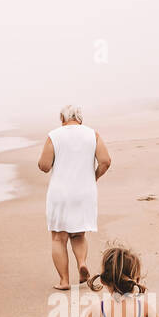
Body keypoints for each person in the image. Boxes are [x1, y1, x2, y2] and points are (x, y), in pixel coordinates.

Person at [39, 104, 111, 290]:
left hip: (60, 193)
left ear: (62, 118)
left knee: (58, 237)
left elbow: (44, 165)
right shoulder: (92, 134)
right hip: (84, 192)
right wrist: (93, 177)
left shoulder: (54, 135)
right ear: (80, 119)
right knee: (78, 233)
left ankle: (64, 281)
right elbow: (105, 161)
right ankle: (82, 263)